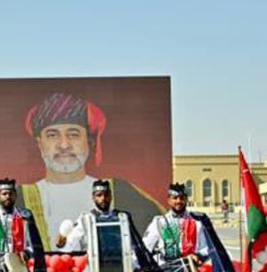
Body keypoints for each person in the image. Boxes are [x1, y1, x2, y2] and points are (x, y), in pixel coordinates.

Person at [13, 92, 161, 249]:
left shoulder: (123, 192)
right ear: (39, 143)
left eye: (73, 135)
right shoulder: (19, 197)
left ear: (89, 142)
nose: (64, 145)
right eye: (52, 135)